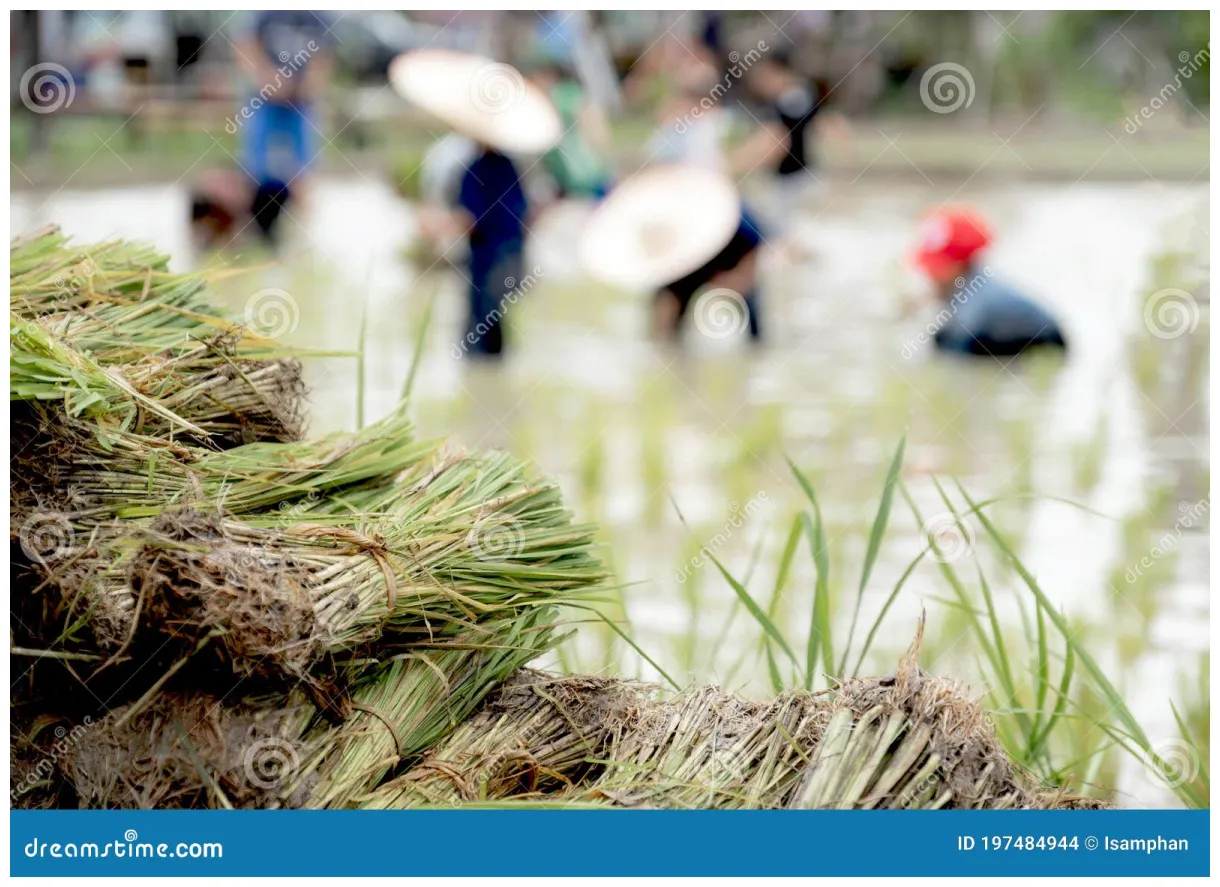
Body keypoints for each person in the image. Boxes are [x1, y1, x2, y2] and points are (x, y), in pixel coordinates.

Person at [389, 50, 562, 360]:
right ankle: (496, 391)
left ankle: (484, 390)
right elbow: (529, 212)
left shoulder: (475, 168)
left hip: (488, 262)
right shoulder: (510, 165)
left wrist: (435, 225)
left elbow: (471, 218)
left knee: (476, 334)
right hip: (512, 257)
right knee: (496, 328)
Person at [911, 207, 1068, 357]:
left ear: (959, 265)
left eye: (935, 268)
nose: (929, 277)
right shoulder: (984, 287)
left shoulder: (968, 320)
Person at [232, 12, 332, 207]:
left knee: (303, 169)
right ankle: (253, 221)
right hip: (262, 98)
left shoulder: (317, 16)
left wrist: (308, 85)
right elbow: (245, 45)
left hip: (301, 100)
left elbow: (324, 57)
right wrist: (267, 79)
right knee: (253, 167)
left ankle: (300, 222)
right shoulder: (262, 13)